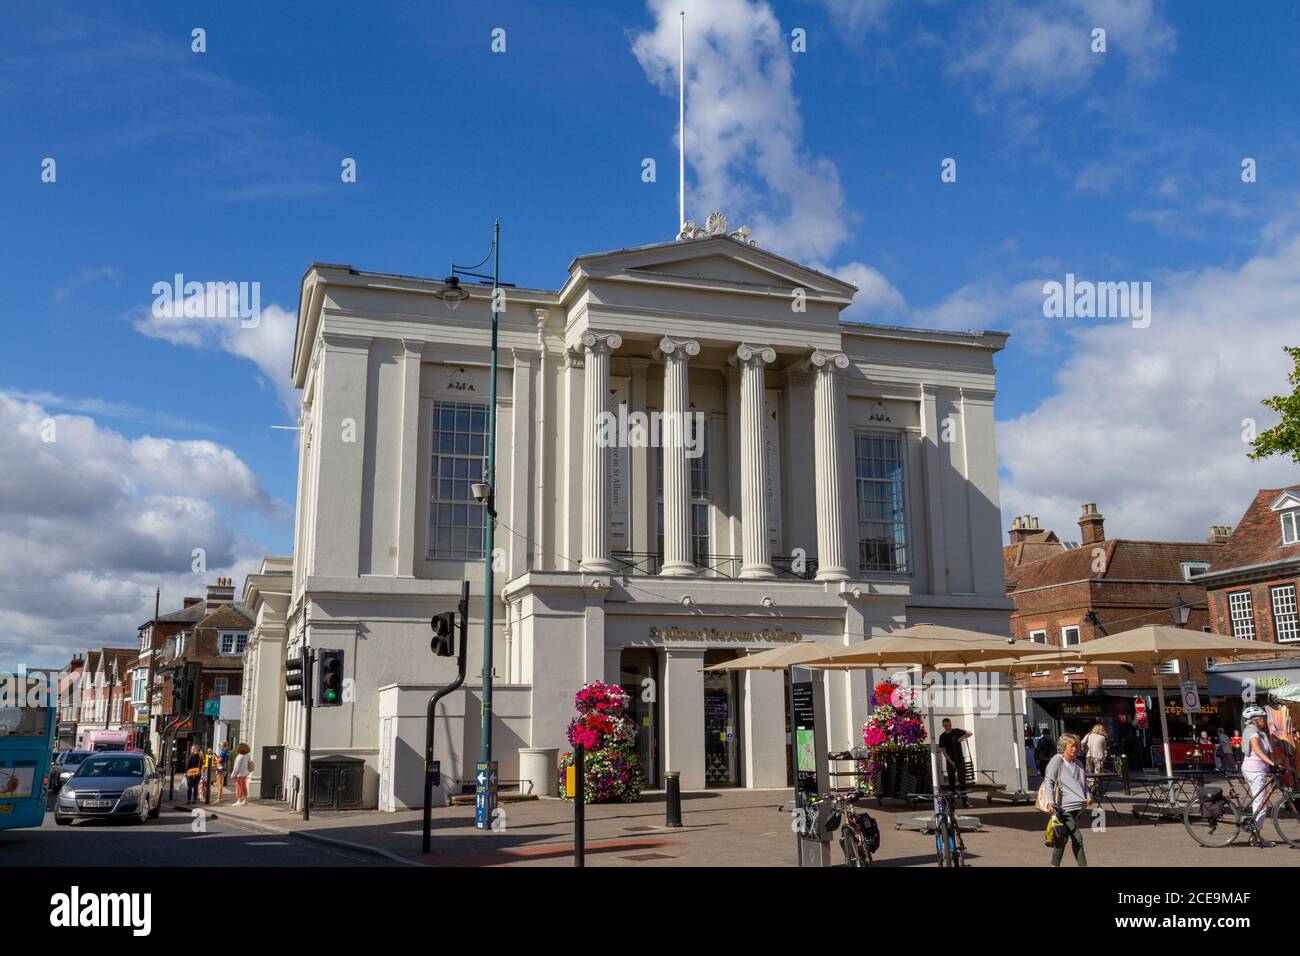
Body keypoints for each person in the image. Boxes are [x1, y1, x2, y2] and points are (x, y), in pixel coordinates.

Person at [1043, 733, 1092, 867]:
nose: (1075, 749)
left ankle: (1054, 865)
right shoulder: (1057, 760)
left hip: (1077, 807)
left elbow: (1083, 784)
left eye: (1076, 746)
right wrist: (1051, 801)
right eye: (1072, 746)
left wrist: (1087, 796)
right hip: (1063, 808)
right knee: (1077, 837)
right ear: (1064, 747)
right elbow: (1049, 781)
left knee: (1061, 840)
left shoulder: (1079, 763)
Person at [1241, 705, 1279, 847]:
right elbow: (1257, 750)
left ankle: (1255, 836)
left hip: (1258, 770)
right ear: (1256, 720)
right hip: (1255, 771)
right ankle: (1255, 837)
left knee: (1261, 803)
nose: (1265, 720)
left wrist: (1270, 766)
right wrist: (1272, 763)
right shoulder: (1253, 733)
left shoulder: (1256, 731)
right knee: (1261, 806)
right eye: (1263, 718)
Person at [938, 719, 972, 808]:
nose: (948, 727)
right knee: (952, 782)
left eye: (949, 725)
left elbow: (969, 733)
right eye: (946, 726)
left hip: (960, 759)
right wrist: (951, 761)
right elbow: (943, 751)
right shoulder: (942, 737)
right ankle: (951, 802)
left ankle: (965, 802)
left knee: (962, 782)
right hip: (950, 761)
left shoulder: (956, 731)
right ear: (943, 726)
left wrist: (962, 737)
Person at [1080, 723, 1108, 799]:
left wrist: (1086, 748)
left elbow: (1082, 743)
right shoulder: (1102, 737)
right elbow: (1105, 748)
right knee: (1098, 775)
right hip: (1098, 758)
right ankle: (1096, 791)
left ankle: (1089, 790)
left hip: (1089, 757)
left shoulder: (1089, 735)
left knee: (1090, 774)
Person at [230, 742, 253, 806]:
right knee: (244, 787)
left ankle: (239, 800)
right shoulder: (247, 756)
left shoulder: (239, 757)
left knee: (239, 787)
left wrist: (232, 775)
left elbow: (236, 767)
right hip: (245, 774)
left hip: (239, 774)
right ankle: (245, 800)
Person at [215, 740, 231, 804]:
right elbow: (225, 760)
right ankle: (220, 797)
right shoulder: (228, 752)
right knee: (219, 783)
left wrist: (216, 758)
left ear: (222, 746)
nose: (219, 747)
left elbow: (220, 760)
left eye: (220, 746)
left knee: (219, 784)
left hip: (220, 768)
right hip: (224, 768)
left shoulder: (223, 752)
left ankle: (219, 798)